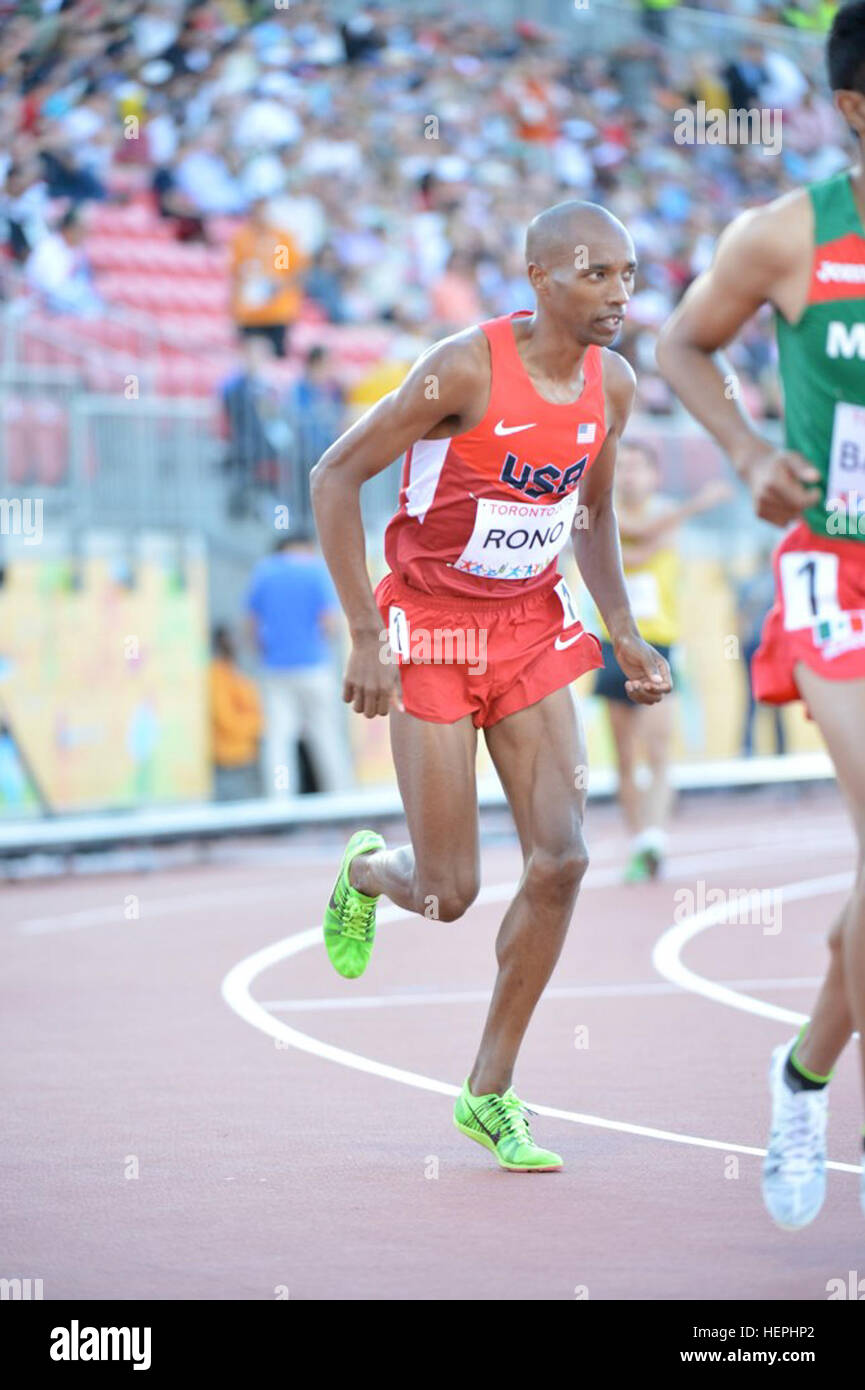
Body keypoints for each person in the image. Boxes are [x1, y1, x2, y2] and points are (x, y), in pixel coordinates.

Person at [311, 200, 672, 1174]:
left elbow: (589, 513)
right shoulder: (461, 368)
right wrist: (362, 633)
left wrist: (623, 631)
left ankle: (491, 1091)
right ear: (540, 275)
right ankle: (366, 874)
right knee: (447, 893)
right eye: (598, 273)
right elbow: (335, 477)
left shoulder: (616, 385)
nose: (619, 293)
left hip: (525, 630)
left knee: (562, 859)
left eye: (630, 275)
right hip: (426, 626)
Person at [656, 0, 865, 1230]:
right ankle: (802, 1089)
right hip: (831, 573)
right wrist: (743, 457)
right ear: (854, 110)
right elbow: (684, 347)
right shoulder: (786, 238)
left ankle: (801, 1071)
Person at [593, 440, 729, 882]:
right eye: (623, 467)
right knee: (624, 757)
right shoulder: (601, 515)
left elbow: (646, 545)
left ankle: (654, 836)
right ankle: (637, 842)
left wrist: (683, 510)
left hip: (658, 645)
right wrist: (699, 504)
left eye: (638, 467)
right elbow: (631, 544)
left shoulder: (663, 516)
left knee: (657, 748)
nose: (629, 476)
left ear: (654, 477)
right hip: (612, 643)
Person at [245, 533, 348, 798]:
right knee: (326, 734)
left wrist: (265, 651)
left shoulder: (264, 572)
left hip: (276, 668)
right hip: (314, 667)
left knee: (279, 738)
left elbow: (250, 624)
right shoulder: (315, 571)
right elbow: (329, 622)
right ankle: (341, 798)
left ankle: (280, 802)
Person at [230, 196, 309, 359]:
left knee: (276, 361)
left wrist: (274, 286)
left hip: (276, 312)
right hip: (249, 312)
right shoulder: (242, 238)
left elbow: (286, 271)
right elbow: (237, 273)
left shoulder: (280, 238)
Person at [210, 625, 263, 802]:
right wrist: (257, 726)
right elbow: (225, 719)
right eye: (229, 638)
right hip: (228, 762)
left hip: (248, 758)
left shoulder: (238, 674)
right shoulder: (216, 675)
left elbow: (256, 709)